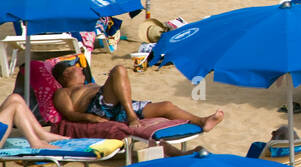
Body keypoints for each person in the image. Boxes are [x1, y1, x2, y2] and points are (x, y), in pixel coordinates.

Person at [52, 60, 225, 133]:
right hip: (98, 109)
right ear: (65, 74)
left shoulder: (89, 85)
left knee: (166, 106)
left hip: (115, 106)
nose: (81, 69)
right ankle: (132, 115)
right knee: (119, 69)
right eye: (76, 67)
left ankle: (201, 122)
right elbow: (69, 114)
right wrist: (90, 118)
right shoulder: (63, 92)